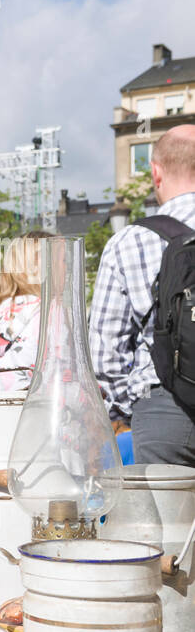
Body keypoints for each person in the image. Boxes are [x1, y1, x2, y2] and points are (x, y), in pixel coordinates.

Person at [90, 125, 195, 464]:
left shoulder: (130, 241)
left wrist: (133, 405)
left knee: (169, 517)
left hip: (166, 413)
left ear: (155, 172)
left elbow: (105, 358)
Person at [0, 233, 49, 392]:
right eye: (63, 260)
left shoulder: (0, 313)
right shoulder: (47, 311)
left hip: (6, 408)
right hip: (43, 408)